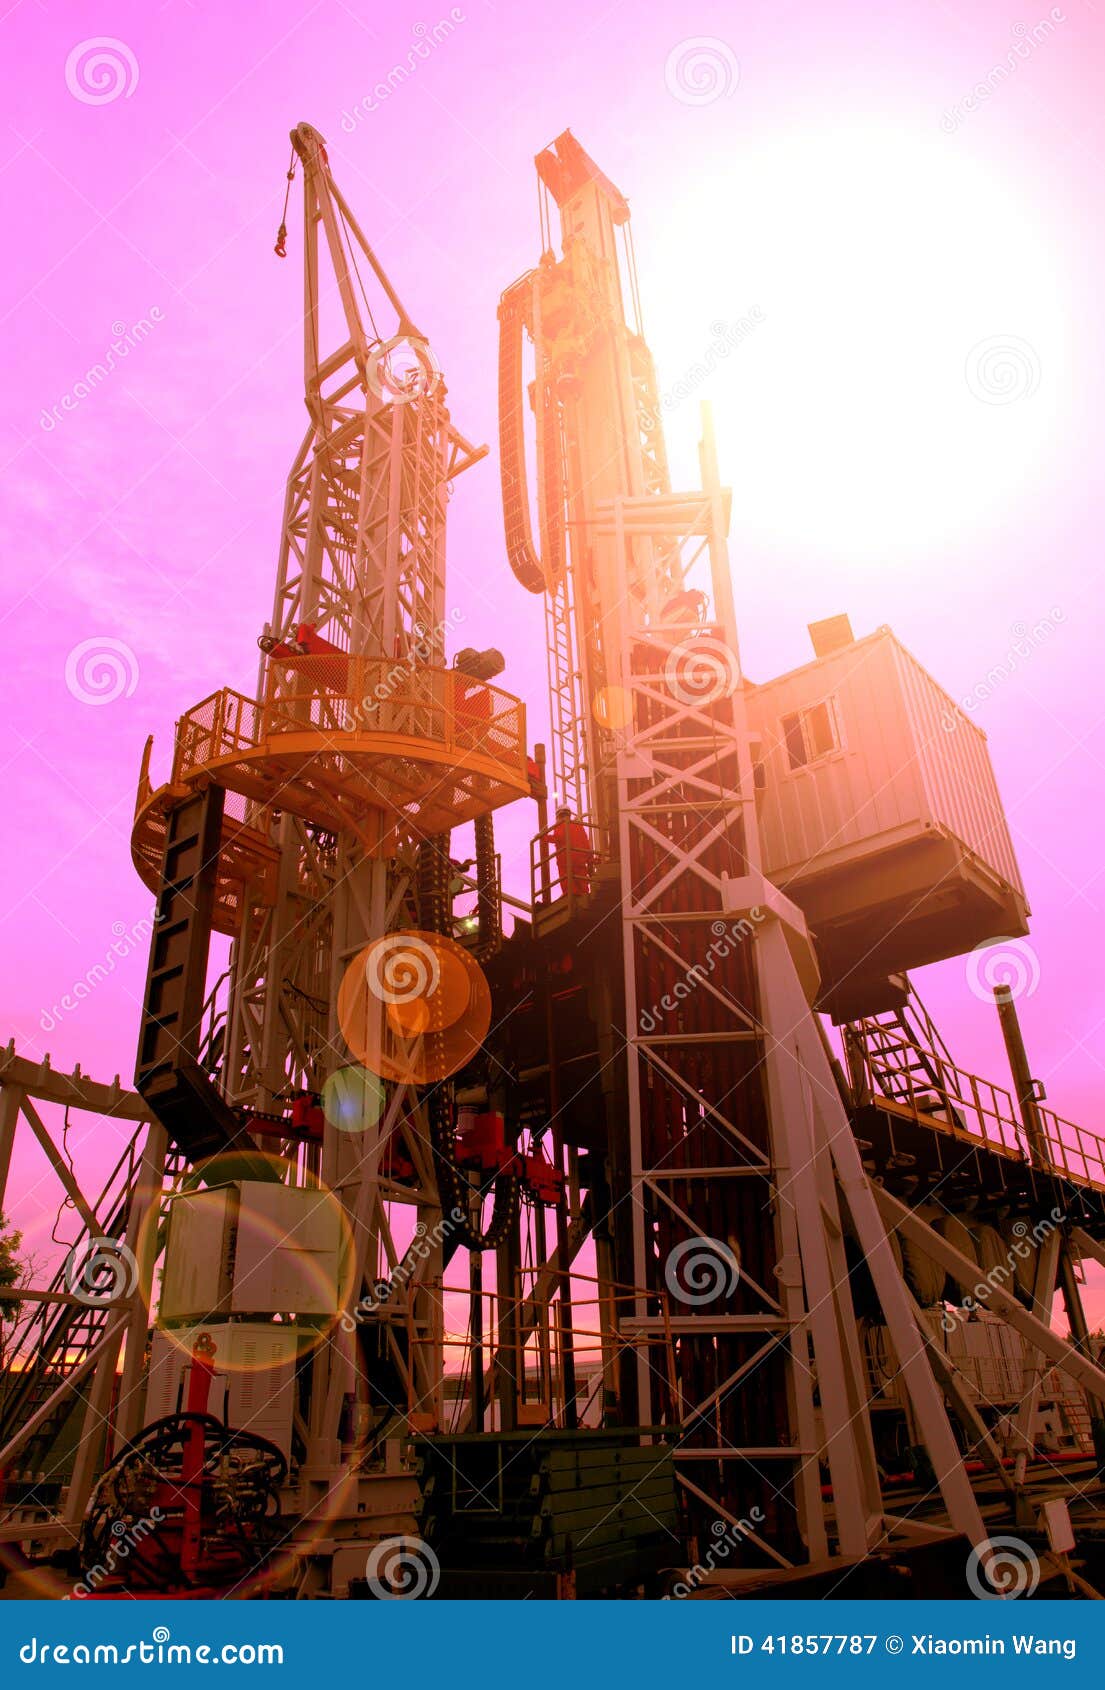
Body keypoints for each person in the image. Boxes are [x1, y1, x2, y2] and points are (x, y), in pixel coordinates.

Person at [549, 804, 595, 899]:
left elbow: (558, 837)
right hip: (580, 861)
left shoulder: (559, 826)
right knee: (582, 884)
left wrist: (543, 837)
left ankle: (570, 896)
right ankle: (584, 895)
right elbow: (586, 844)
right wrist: (590, 860)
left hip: (566, 861)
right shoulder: (578, 826)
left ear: (558, 816)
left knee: (568, 883)